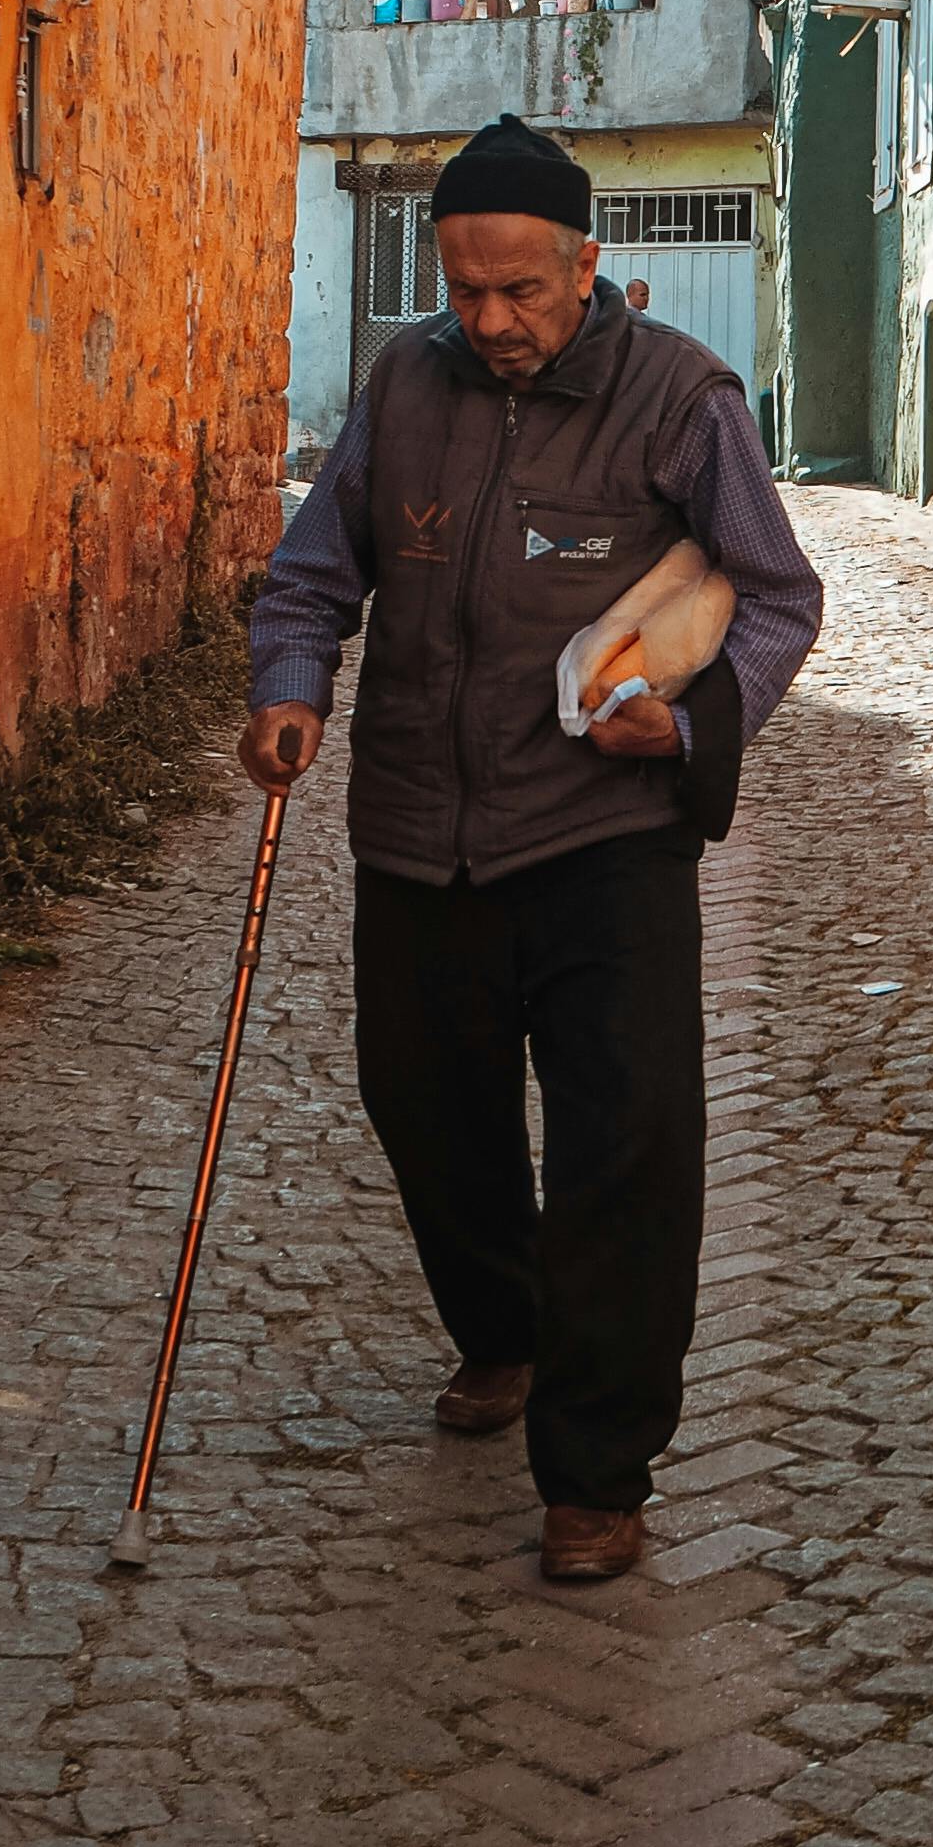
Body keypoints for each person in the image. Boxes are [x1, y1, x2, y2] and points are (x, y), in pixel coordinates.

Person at [244, 115, 822, 1582]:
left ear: (587, 263)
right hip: (415, 831)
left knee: (625, 1150)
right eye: (466, 291)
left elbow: (773, 596)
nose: (491, 322)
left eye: (522, 291)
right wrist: (289, 687)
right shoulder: (405, 385)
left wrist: (693, 734)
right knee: (427, 1114)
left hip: (601, 837)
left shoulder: (683, 400)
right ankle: (502, 1334)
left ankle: (598, 1470)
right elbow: (317, 569)